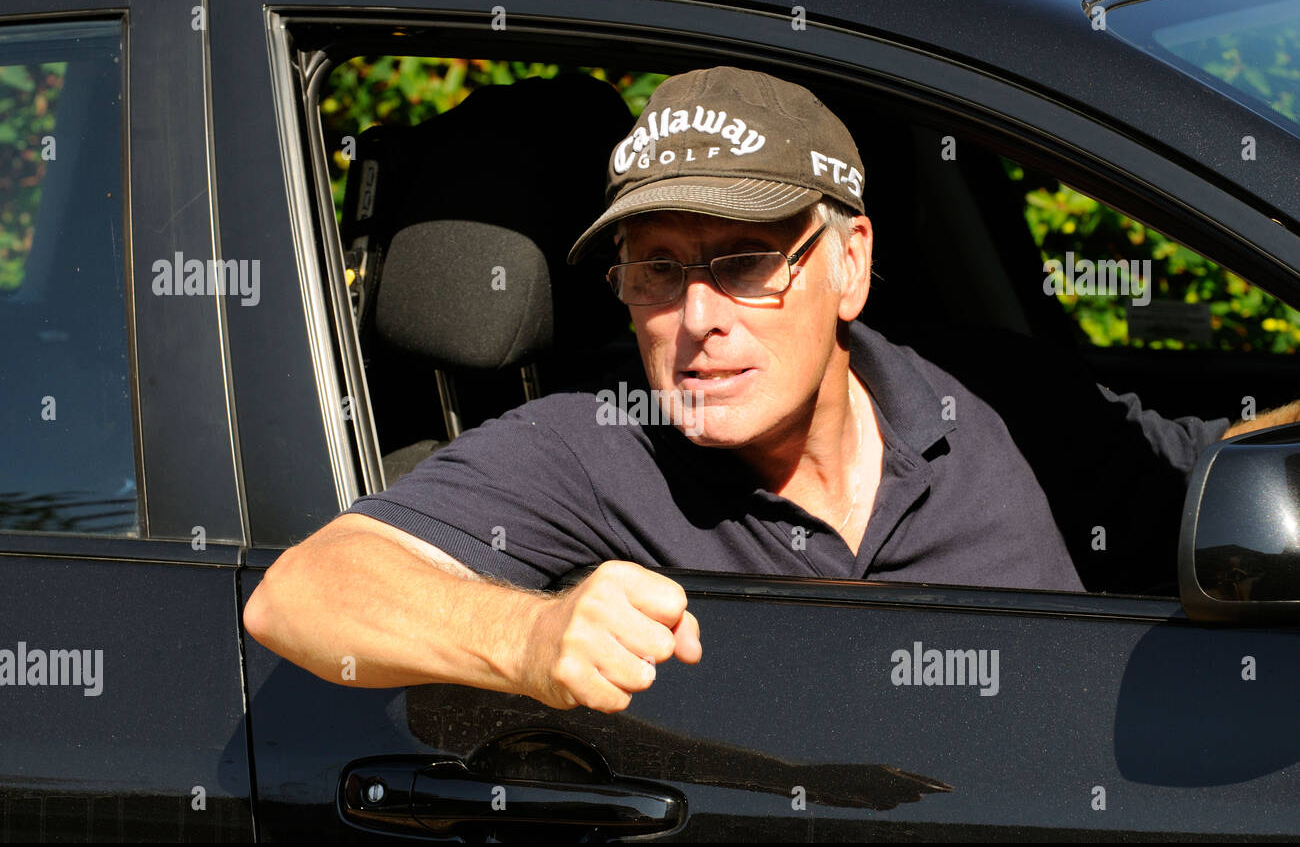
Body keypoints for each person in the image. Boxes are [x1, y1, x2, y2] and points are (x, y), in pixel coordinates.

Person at [242, 66, 1289, 713]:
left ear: (848, 264)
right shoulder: (598, 446)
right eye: (655, 268)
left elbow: (1219, 465)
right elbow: (302, 592)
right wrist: (528, 635)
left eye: (744, 262)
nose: (697, 317)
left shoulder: (994, 399)